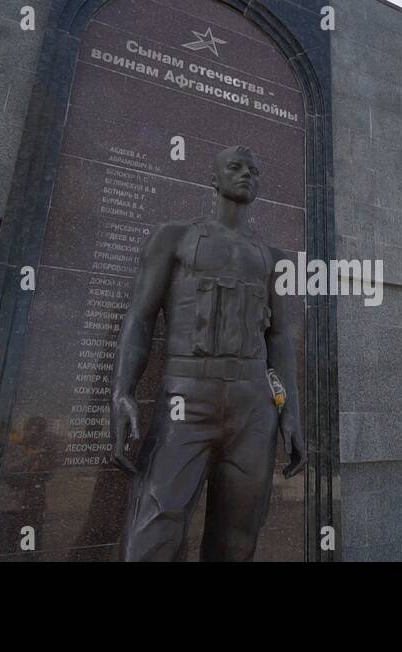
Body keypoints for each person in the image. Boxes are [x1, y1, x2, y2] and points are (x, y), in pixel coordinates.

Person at [109, 145, 305, 561]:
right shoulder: (173, 237)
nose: (246, 175)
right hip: (186, 398)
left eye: (253, 170)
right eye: (234, 167)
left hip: (254, 404)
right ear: (213, 179)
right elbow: (140, 317)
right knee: (154, 530)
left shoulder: (273, 259)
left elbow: (281, 339)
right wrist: (121, 390)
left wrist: (291, 413)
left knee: (238, 539)